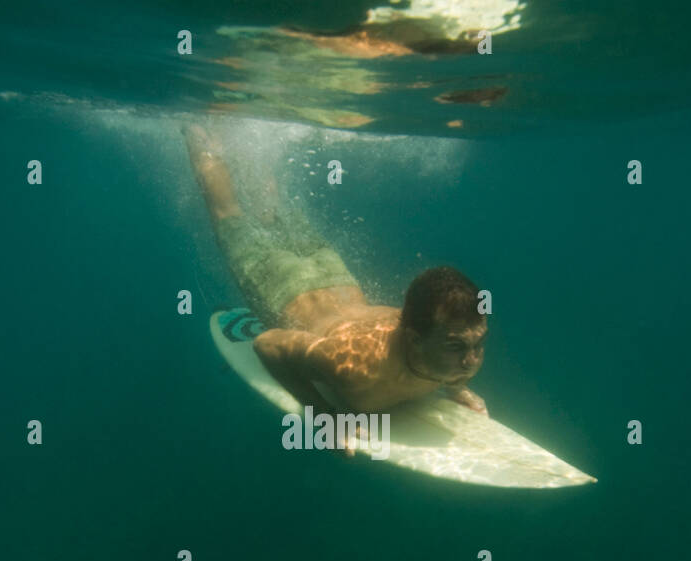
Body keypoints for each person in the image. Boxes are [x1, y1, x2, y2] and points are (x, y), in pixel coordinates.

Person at [185, 124, 488, 453]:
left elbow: (456, 350)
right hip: (279, 282)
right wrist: (322, 414)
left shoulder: (453, 355)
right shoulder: (354, 370)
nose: (471, 361)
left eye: (479, 343)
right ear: (415, 339)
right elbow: (267, 343)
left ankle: (248, 139)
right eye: (457, 348)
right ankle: (199, 128)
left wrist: (458, 389)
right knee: (227, 212)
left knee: (273, 210)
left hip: (335, 275)